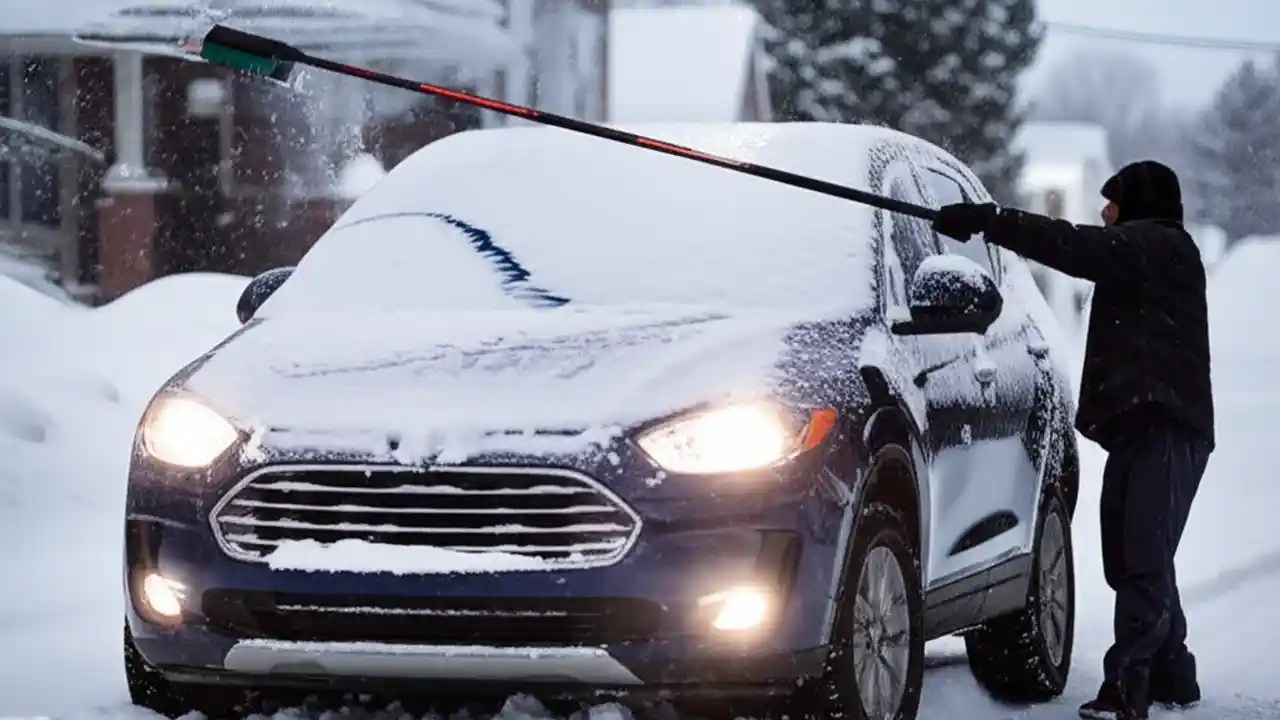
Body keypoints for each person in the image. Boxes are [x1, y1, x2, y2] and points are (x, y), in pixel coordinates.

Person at [930, 160, 1214, 720]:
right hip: (1141, 430)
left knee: (1143, 560)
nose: (1104, 212)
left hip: (1169, 429)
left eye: (1113, 202)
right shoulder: (1144, 252)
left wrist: (993, 221)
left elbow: (1074, 246)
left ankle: (1126, 689)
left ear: (1139, 205)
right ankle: (1174, 673)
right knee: (1132, 557)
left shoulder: (1161, 246)